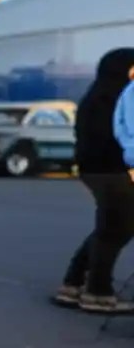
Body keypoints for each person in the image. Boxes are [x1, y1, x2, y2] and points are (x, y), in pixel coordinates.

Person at [56, 47, 134, 312]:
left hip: (95, 170)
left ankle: (73, 283)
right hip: (113, 171)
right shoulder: (115, 99)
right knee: (117, 229)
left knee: (110, 226)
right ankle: (98, 292)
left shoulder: (97, 96)